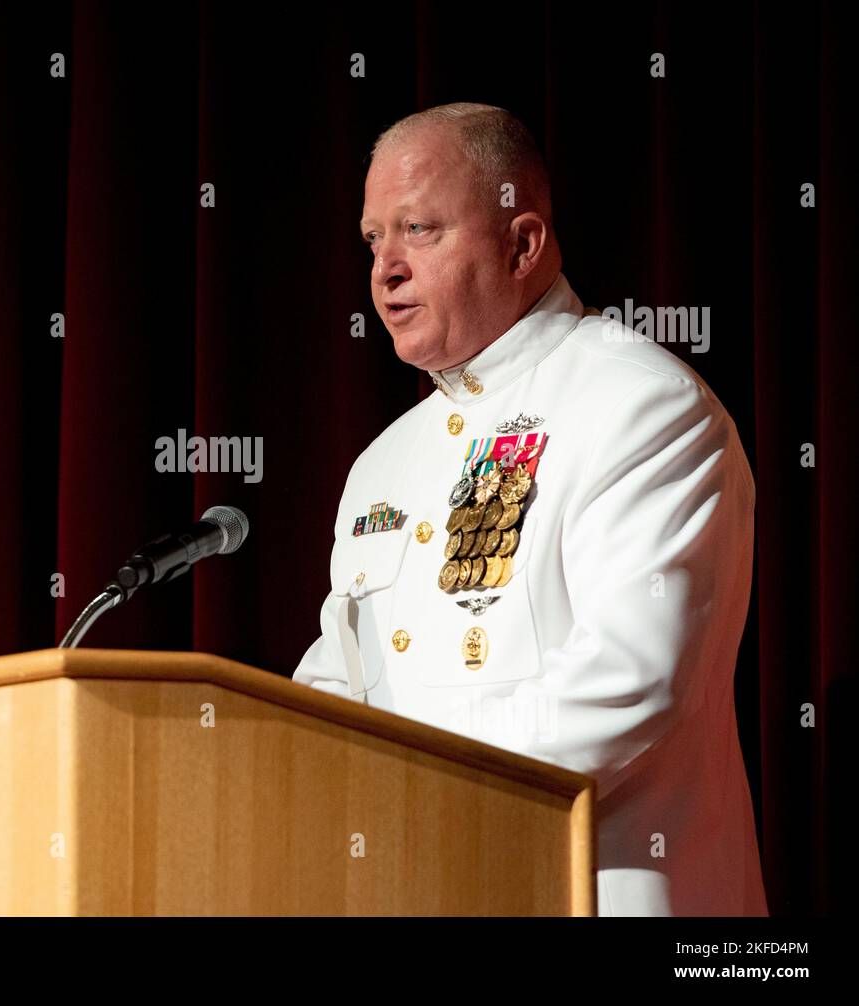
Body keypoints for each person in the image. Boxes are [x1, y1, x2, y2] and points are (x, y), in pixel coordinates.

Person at [293, 102, 768, 917]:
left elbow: (624, 684)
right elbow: (339, 680)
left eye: (420, 230)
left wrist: (401, 796)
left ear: (523, 244)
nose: (386, 268)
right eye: (375, 239)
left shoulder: (641, 405)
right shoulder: (383, 464)